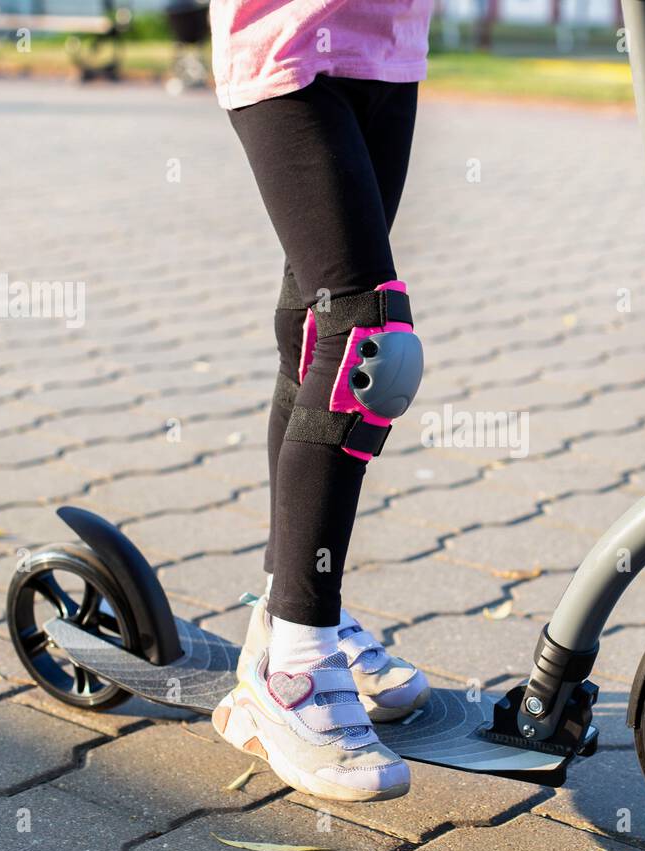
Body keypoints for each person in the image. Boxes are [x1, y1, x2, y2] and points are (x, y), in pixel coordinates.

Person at [207, 0, 435, 801]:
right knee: (368, 340)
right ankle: (297, 667)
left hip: (389, 47)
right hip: (287, 39)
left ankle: (286, 618)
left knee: (314, 328)